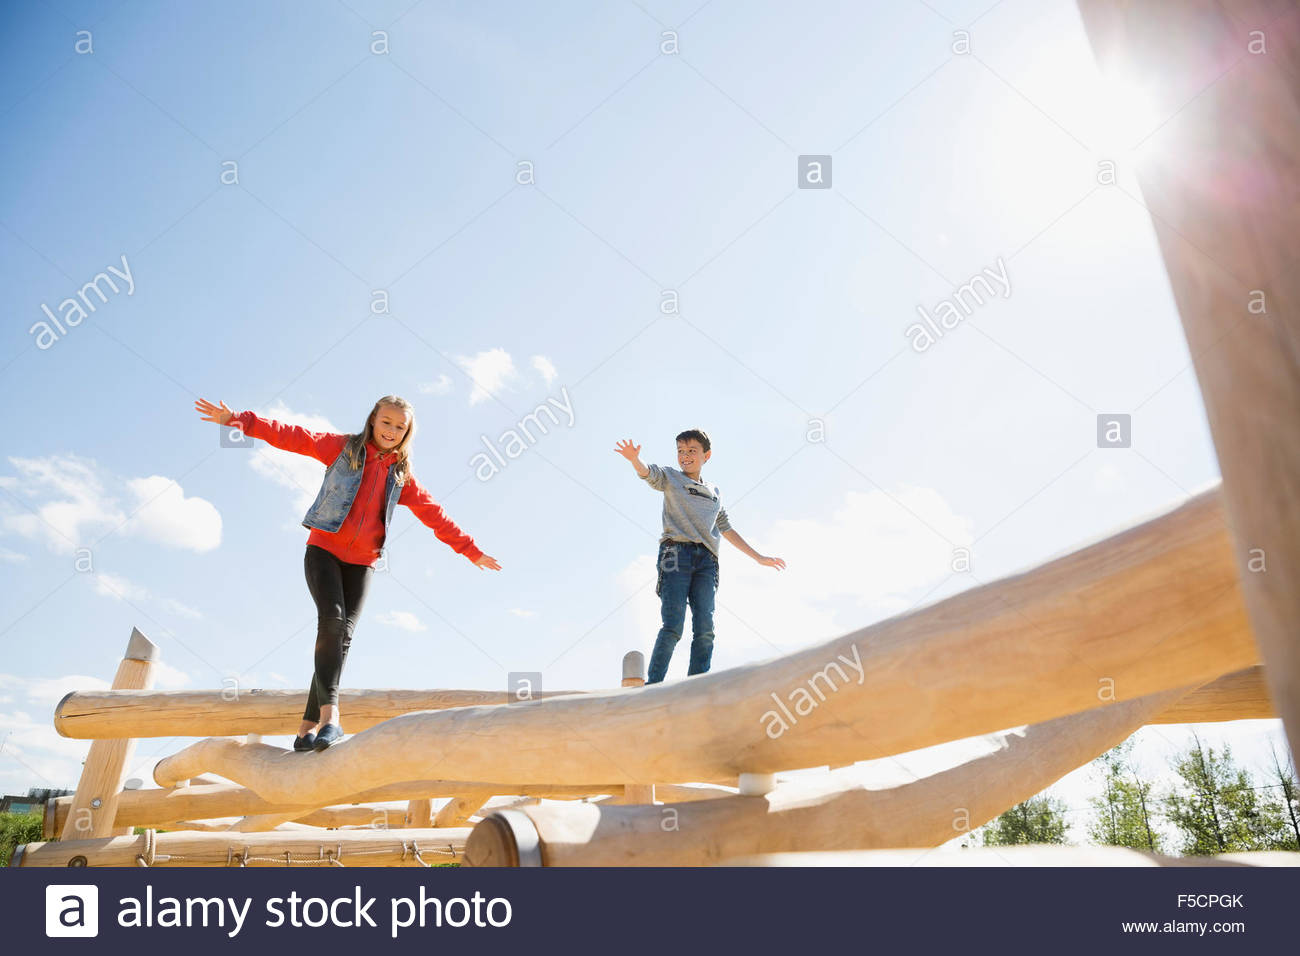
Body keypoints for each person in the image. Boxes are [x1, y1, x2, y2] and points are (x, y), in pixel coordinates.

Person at [195, 395, 501, 752]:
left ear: (408, 433)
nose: (392, 431)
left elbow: (435, 515)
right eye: (386, 422)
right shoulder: (342, 449)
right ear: (373, 419)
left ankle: (306, 730)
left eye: (400, 427)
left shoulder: (401, 476)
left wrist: (470, 550)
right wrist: (239, 420)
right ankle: (331, 719)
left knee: (339, 640)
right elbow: (293, 435)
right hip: (323, 551)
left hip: (362, 564)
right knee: (333, 622)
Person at [615, 430, 784, 684]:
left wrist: (758, 557)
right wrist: (634, 460)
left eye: (691, 451)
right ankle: (653, 685)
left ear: (706, 455)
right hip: (675, 554)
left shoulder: (714, 491)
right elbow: (649, 474)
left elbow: (726, 528)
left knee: (705, 628)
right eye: (681, 451)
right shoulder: (671, 477)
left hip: (707, 561)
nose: (685, 456)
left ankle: (696, 685)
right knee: (673, 624)